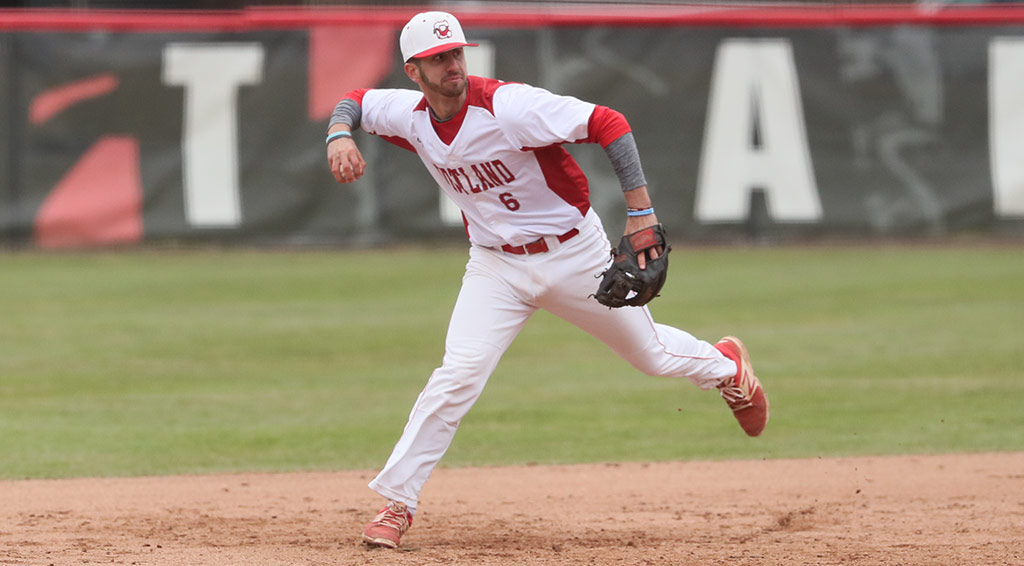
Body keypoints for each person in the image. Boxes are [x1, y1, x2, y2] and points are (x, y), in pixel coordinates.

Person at [325, 11, 769, 549]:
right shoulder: (410, 113)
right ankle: (398, 502)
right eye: (438, 59)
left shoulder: (509, 106)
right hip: (494, 265)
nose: (452, 65)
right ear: (413, 71)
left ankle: (726, 367)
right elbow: (354, 100)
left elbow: (610, 122)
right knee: (458, 374)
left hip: (573, 256)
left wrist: (641, 213)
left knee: (651, 356)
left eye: (456, 53)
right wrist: (338, 134)